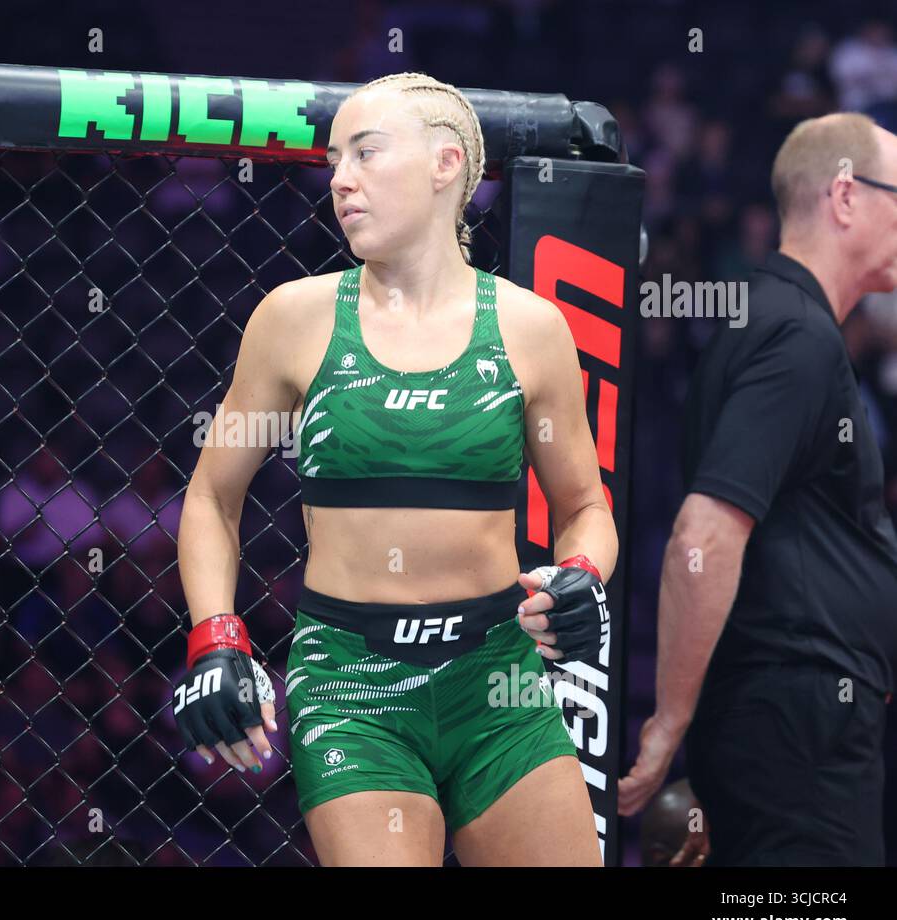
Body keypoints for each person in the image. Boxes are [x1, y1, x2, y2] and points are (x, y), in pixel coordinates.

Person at [171, 72, 617, 866]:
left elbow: (586, 504)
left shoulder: (530, 327)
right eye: (335, 159)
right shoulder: (295, 319)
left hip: (498, 683)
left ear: (447, 164)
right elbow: (213, 496)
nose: (341, 178)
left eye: (367, 153)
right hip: (353, 687)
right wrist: (215, 636)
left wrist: (583, 572)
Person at [619, 113, 897, 865]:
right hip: (796, 728)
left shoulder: (767, 319)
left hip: (791, 718)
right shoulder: (797, 336)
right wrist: (670, 721)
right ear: (846, 196)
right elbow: (703, 534)